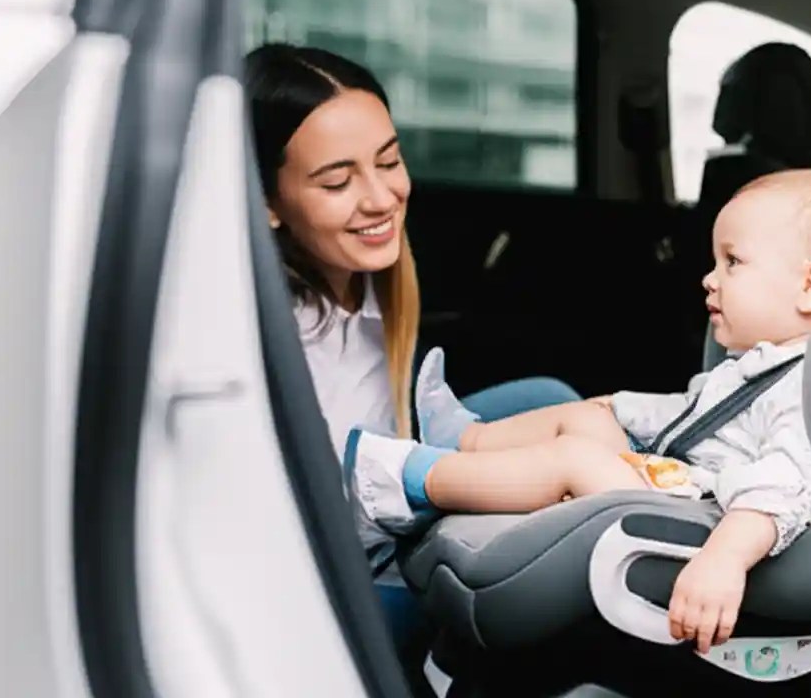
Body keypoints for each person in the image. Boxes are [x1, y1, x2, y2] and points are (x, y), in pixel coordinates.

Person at [347, 168, 811, 654]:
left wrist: (723, 560)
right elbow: (689, 413)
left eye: (732, 262)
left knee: (575, 459)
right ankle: (464, 440)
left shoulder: (803, 388)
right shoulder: (762, 361)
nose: (710, 278)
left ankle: (410, 483)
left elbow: (781, 488)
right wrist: (618, 408)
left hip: (706, 517)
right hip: (684, 480)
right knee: (586, 417)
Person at [243, 42, 582, 647]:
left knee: (552, 400)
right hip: (331, 586)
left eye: (389, 161)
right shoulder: (276, 333)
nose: (380, 198)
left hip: (386, 492)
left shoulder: (367, 282)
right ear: (268, 202)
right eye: (338, 181)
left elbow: (387, 430)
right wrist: (520, 473)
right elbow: (337, 512)